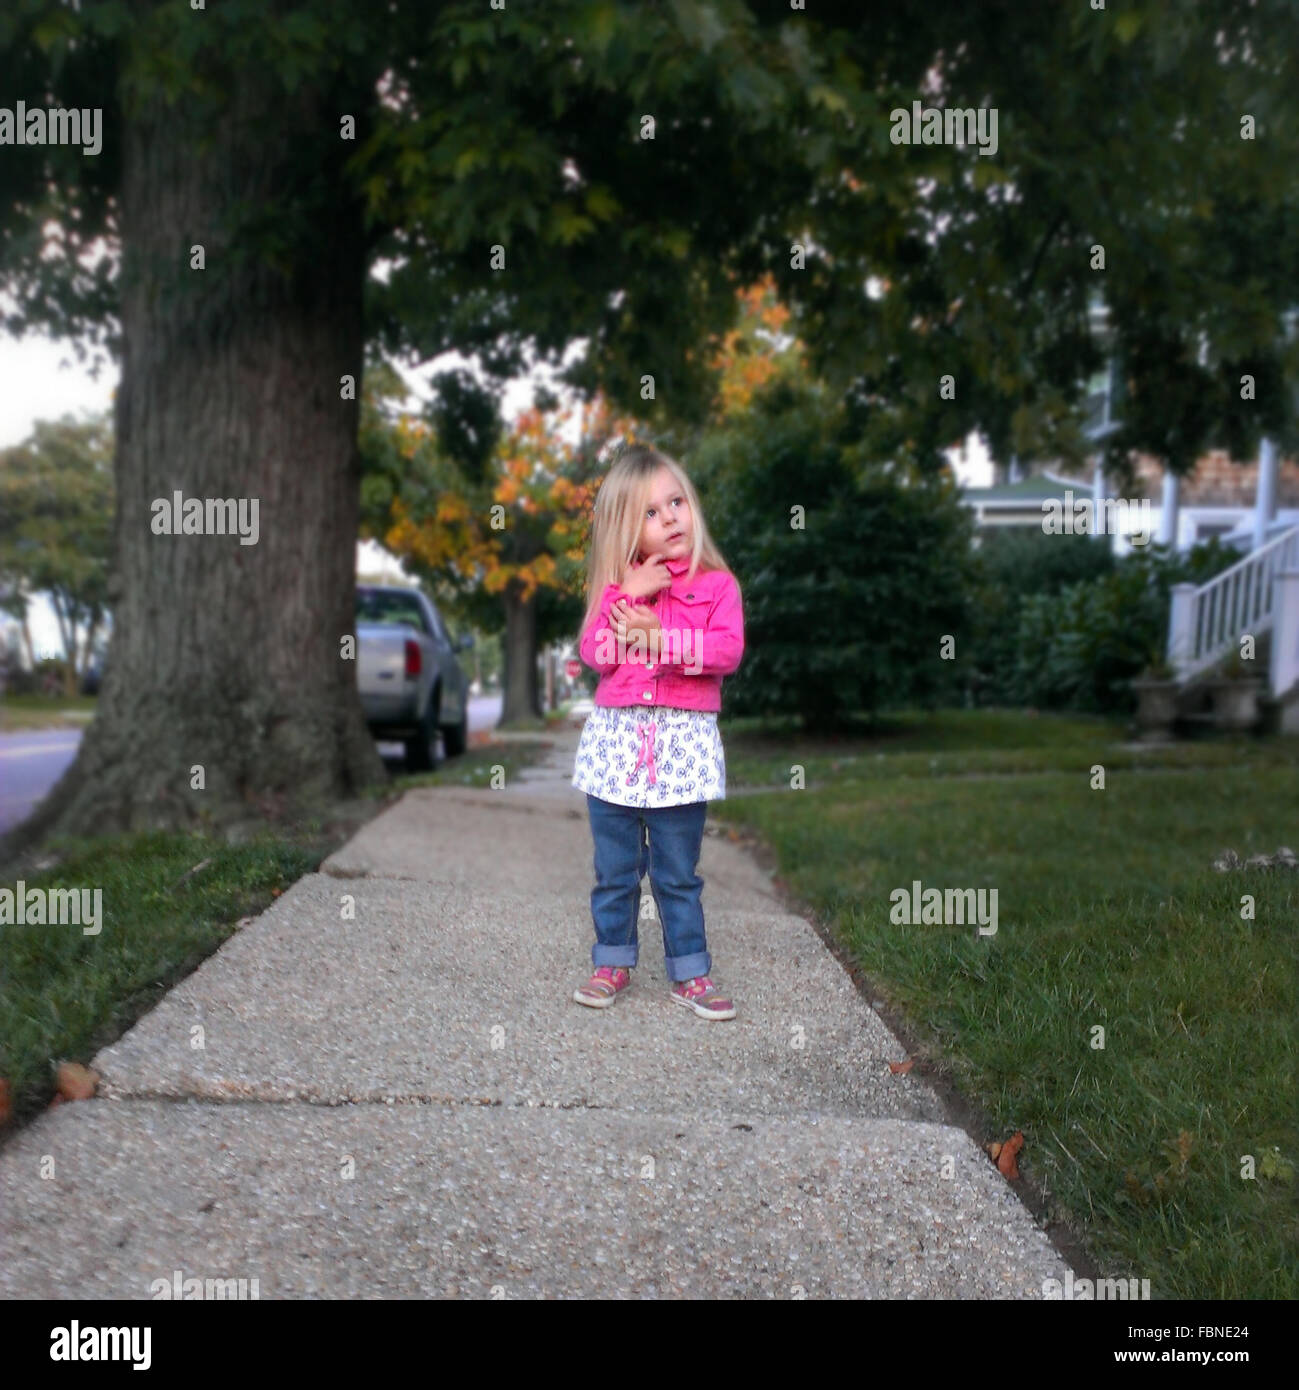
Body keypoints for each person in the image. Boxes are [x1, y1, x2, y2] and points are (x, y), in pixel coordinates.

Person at [570, 443, 745, 1019]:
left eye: (676, 502)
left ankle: (690, 973)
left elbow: (725, 652)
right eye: (650, 512)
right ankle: (612, 963)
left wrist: (659, 639)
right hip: (616, 751)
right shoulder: (619, 591)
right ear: (626, 529)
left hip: (681, 754)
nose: (670, 518)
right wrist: (627, 594)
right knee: (615, 871)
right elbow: (597, 655)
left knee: (676, 874)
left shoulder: (717, 587)